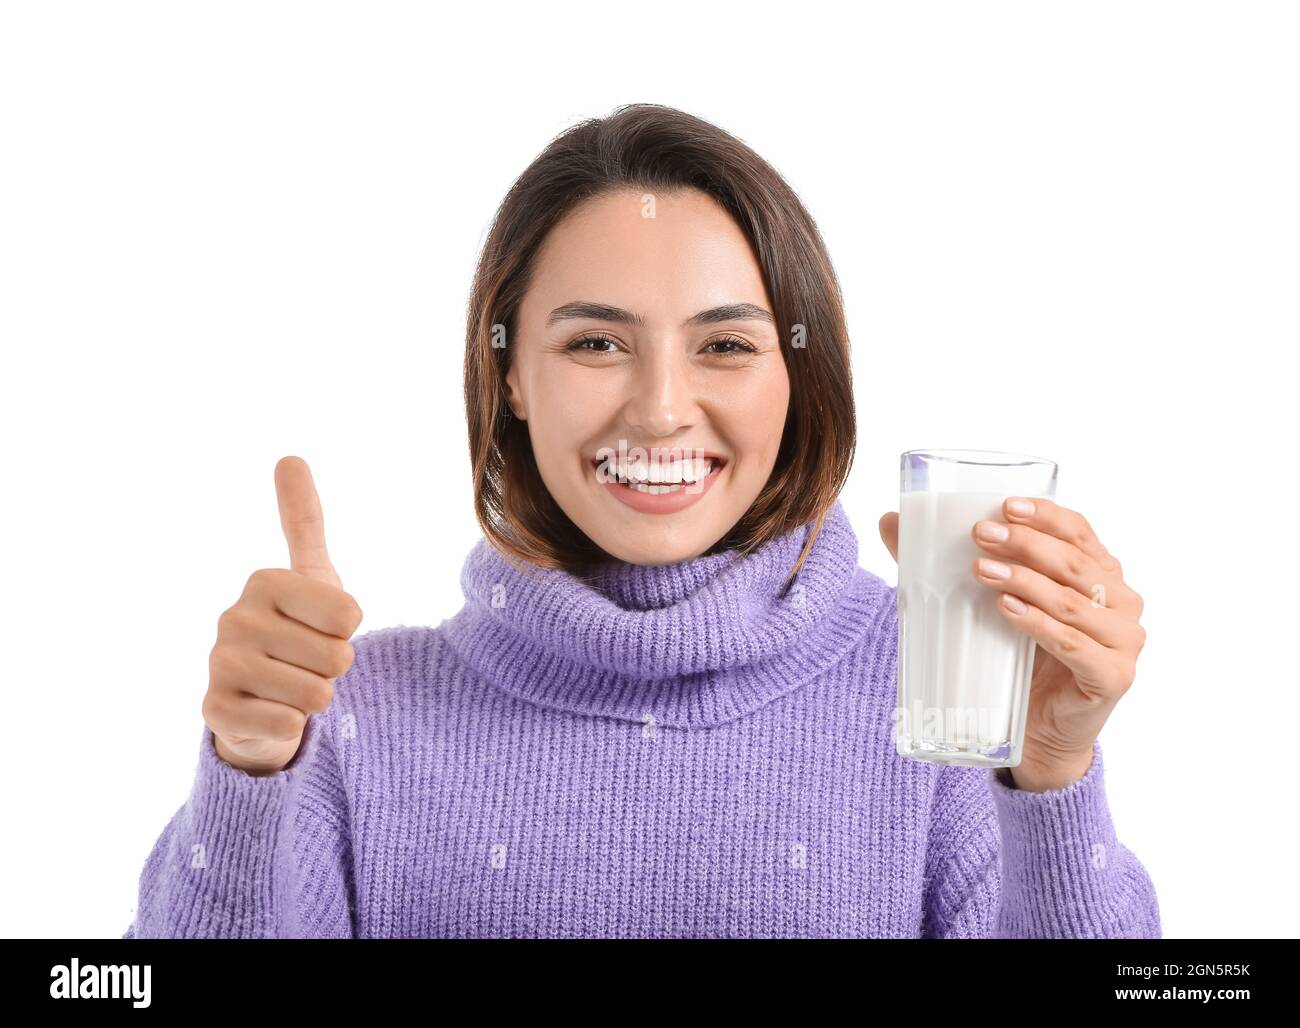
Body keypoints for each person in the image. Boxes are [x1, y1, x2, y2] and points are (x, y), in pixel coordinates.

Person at [123, 103, 1159, 938]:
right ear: (510, 375)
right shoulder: (346, 717)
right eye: (595, 345)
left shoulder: (944, 694)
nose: (661, 407)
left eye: (724, 346)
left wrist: (1050, 783)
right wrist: (250, 768)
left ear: (798, 378)